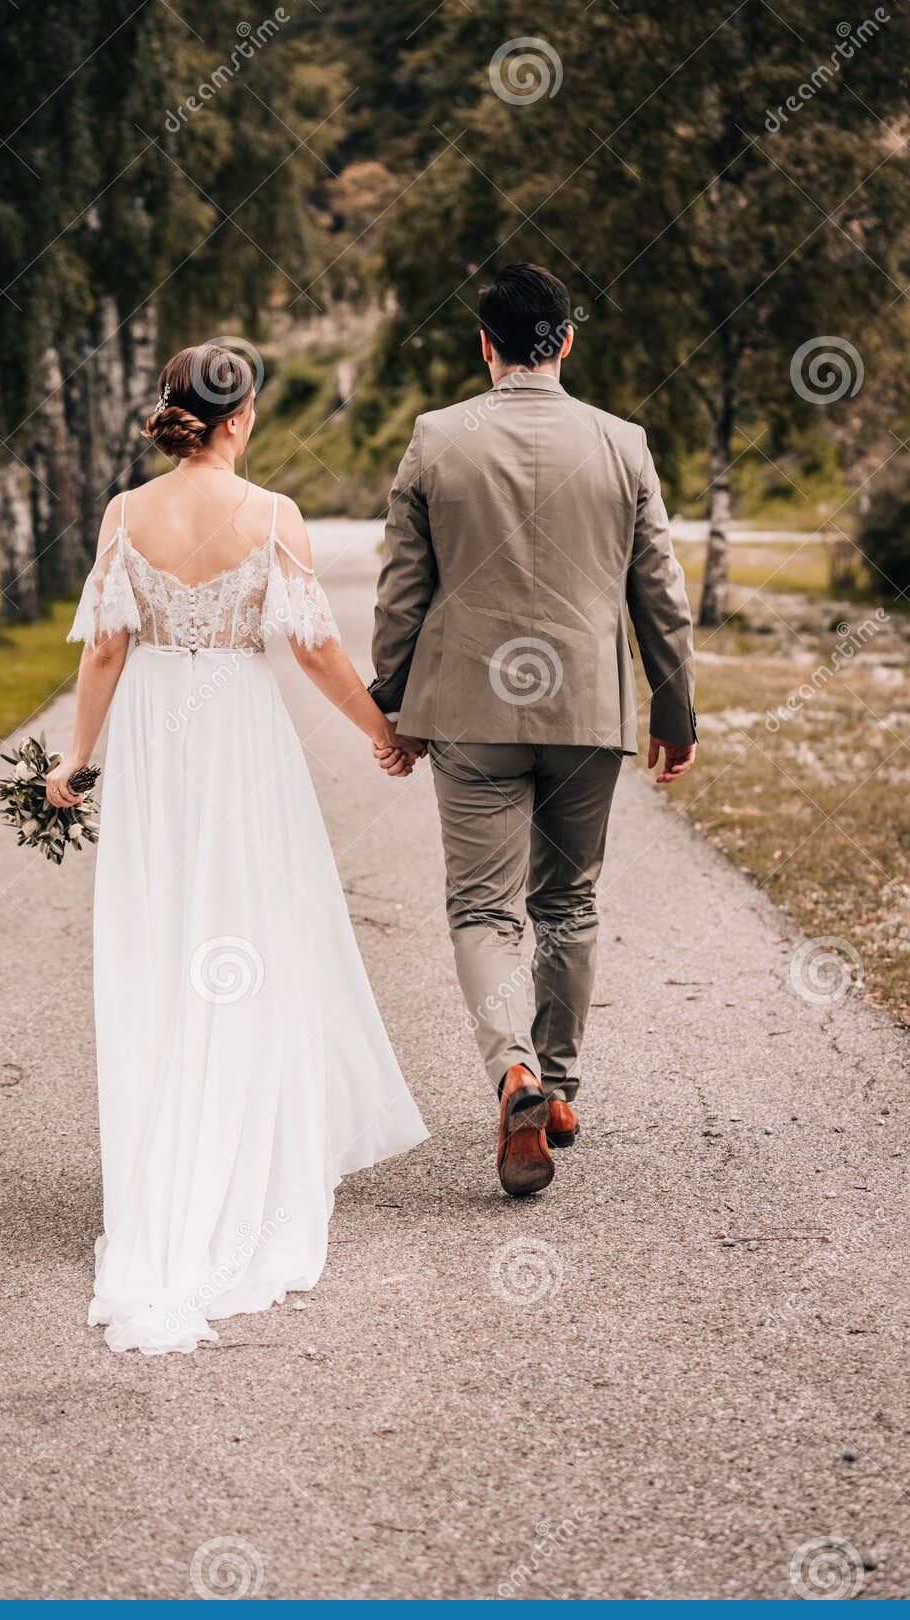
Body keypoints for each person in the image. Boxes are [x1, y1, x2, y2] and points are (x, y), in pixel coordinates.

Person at [47, 344, 427, 1354]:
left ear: (177, 412)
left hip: (159, 737)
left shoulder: (126, 513)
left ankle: (165, 1159)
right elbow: (312, 648)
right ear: (239, 415)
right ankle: (246, 1153)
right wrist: (380, 731)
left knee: (164, 938)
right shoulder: (272, 515)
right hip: (240, 736)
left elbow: (106, 647)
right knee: (251, 933)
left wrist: (76, 760)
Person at [369, 262, 697, 1197]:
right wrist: (673, 711)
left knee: (483, 908)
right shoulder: (623, 442)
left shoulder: (437, 439)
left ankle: (512, 1069)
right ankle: (557, 1090)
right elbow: (660, 595)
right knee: (567, 901)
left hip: (470, 709)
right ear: (566, 341)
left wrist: (391, 697)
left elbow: (403, 589)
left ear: (487, 345)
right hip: (588, 710)